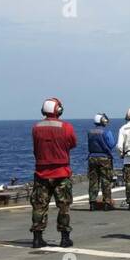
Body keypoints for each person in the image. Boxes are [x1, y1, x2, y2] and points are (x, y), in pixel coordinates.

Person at [30, 97, 77, 248]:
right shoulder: (66, 127)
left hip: (41, 173)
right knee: (64, 206)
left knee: (39, 206)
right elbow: (73, 143)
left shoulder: (36, 127)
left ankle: (37, 238)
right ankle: (64, 237)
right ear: (59, 110)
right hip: (61, 172)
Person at [87, 113, 117, 210]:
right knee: (106, 181)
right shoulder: (106, 132)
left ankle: (92, 202)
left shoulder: (90, 131)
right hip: (104, 158)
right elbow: (112, 144)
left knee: (93, 181)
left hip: (92, 158)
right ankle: (107, 203)